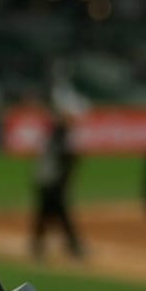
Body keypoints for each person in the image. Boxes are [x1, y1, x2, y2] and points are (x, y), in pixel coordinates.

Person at [30, 107, 84, 261]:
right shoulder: (59, 136)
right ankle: (73, 246)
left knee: (46, 213)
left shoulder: (54, 135)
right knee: (58, 213)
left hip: (45, 179)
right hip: (51, 180)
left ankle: (38, 245)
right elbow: (68, 158)